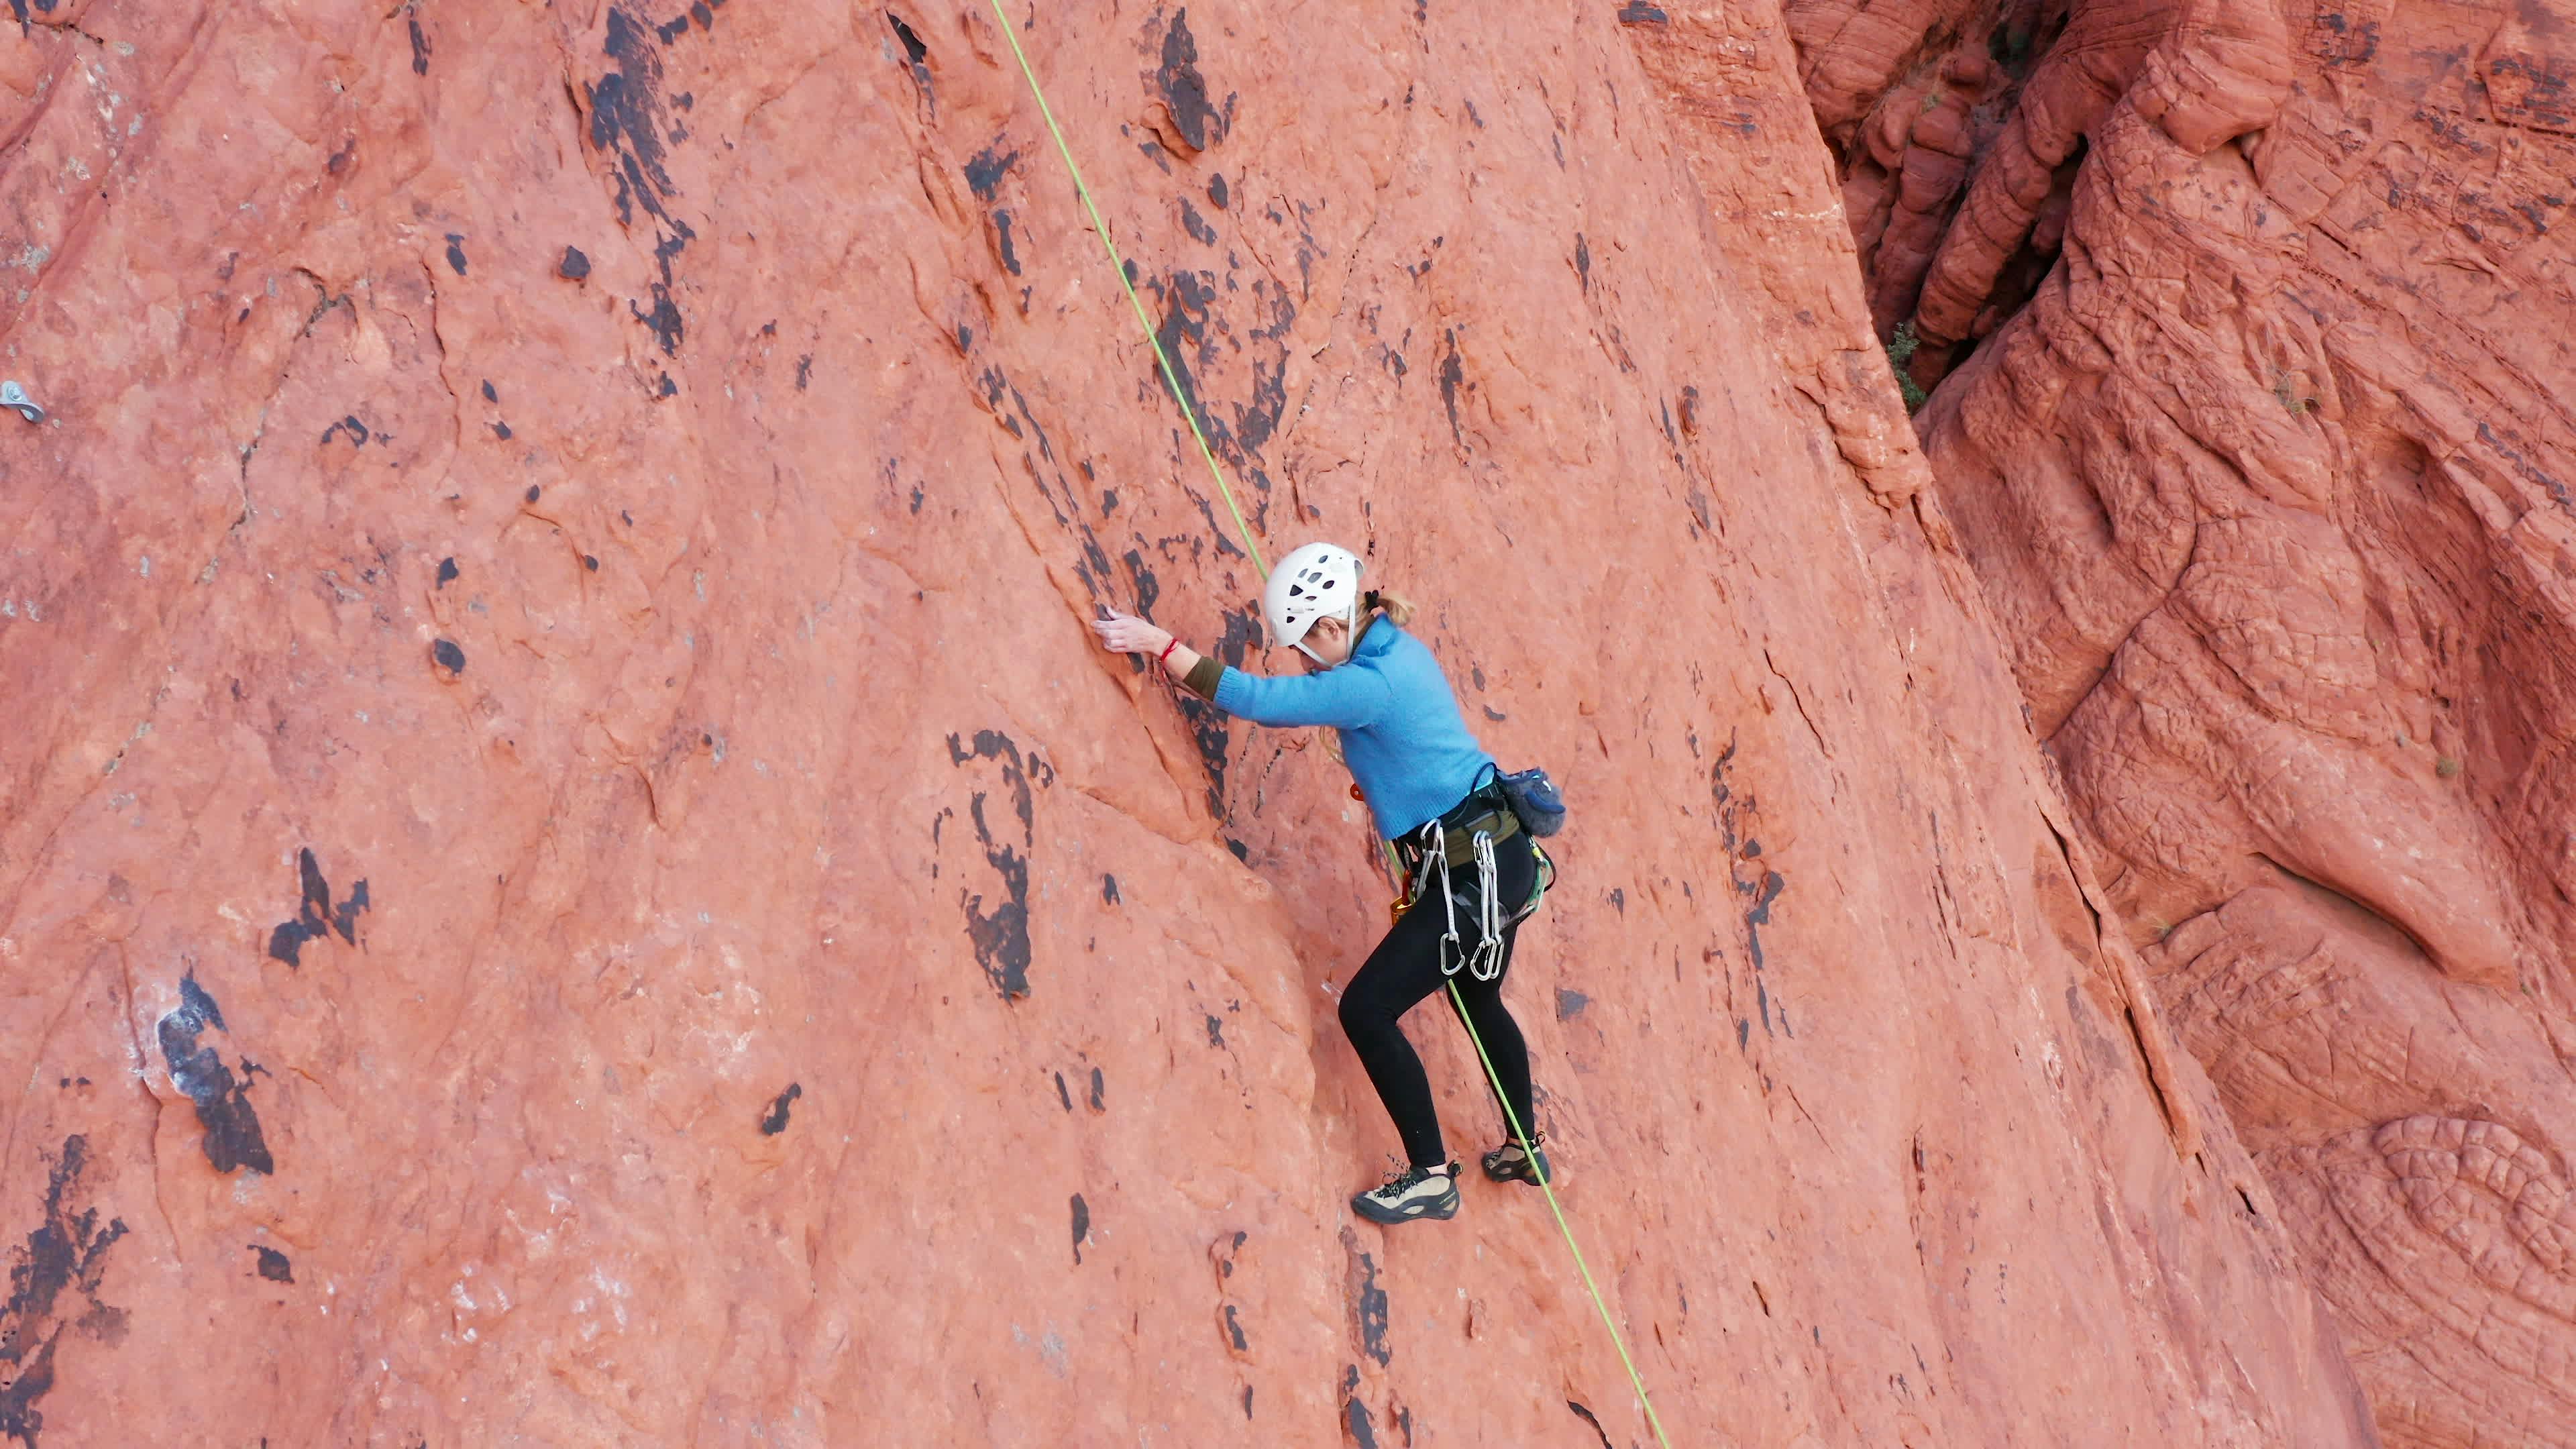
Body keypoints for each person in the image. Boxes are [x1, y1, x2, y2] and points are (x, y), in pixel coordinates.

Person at [1089, 541, 1551, 1224]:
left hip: (1468, 876)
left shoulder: (1366, 682)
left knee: (1366, 1010)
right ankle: (1526, 1149)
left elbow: (1257, 699)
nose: (1303, 659)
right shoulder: (1394, 647)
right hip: (1496, 859)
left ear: (1333, 628)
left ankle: (1430, 1177)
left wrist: (1159, 643)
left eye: (1306, 645)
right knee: (1478, 1000)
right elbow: (1414, 749)